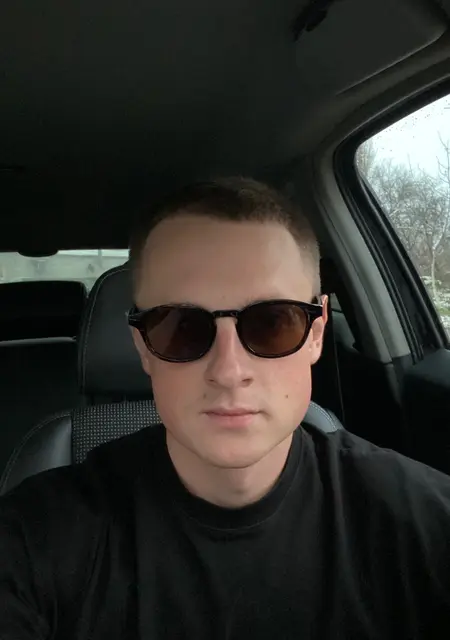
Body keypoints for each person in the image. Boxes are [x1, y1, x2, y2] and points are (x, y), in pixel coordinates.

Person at [1, 177, 450, 639]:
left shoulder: (424, 522)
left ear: (316, 334)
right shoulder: (36, 536)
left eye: (273, 322)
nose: (229, 370)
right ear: (142, 347)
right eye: (182, 326)